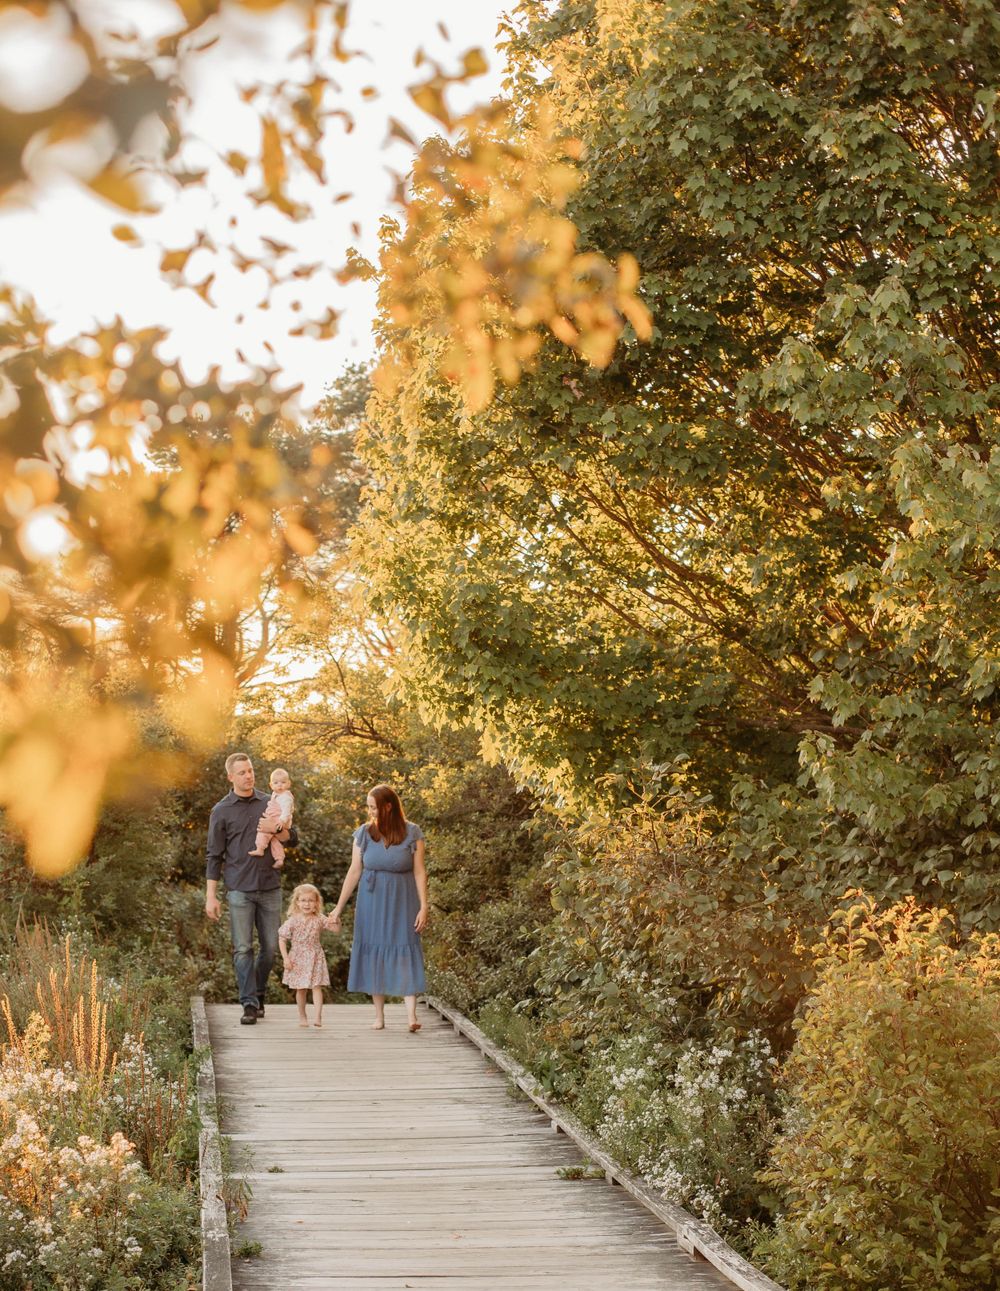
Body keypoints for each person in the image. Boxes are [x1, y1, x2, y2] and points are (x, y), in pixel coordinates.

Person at [205, 752, 298, 1025]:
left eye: (251, 770)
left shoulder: (270, 801)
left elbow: (293, 838)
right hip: (239, 889)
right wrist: (211, 895)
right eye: (242, 772)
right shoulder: (221, 810)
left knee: (270, 948)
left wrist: (278, 830)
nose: (249, 775)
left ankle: (258, 993)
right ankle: (248, 1003)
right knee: (243, 948)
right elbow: (214, 855)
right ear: (230, 777)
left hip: (270, 886)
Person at [329, 784, 428, 1032]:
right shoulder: (363, 833)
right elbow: (354, 871)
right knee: (374, 953)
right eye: (369, 807)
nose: (370, 811)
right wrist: (337, 909)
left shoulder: (412, 832)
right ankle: (379, 1016)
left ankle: (411, 1016)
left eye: (374, 807)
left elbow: (419, 872)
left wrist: (424, 906)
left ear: (388, 806)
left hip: (403, 900)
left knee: (405, 949)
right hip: (371, 901)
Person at [278, 883, 338, 1028]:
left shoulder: (319, 918)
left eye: (311, 900)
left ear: (317, 902)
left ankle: (318, 1017)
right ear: (297, 902)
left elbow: (335, 929)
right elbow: (282, 938)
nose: (307, 904)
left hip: (315, 956)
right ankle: (302, 1016)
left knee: (317, 986)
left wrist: (337, 920)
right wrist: (285, 958)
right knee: (301, 989)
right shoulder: (292, 920)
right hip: (297, 957)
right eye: (303, 900)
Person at [248, 767, 296, 867]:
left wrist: (280, 822)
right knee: (274, 841)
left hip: (278, 819)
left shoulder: (285, 797)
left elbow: (287, 811)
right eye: (276, 783)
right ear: (271, 785)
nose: (279, 785)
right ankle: (279, 858)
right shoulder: (276, 795)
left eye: (283, 782)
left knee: (263, 831)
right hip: (277, 819)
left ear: (288, 784)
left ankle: (260, 848)